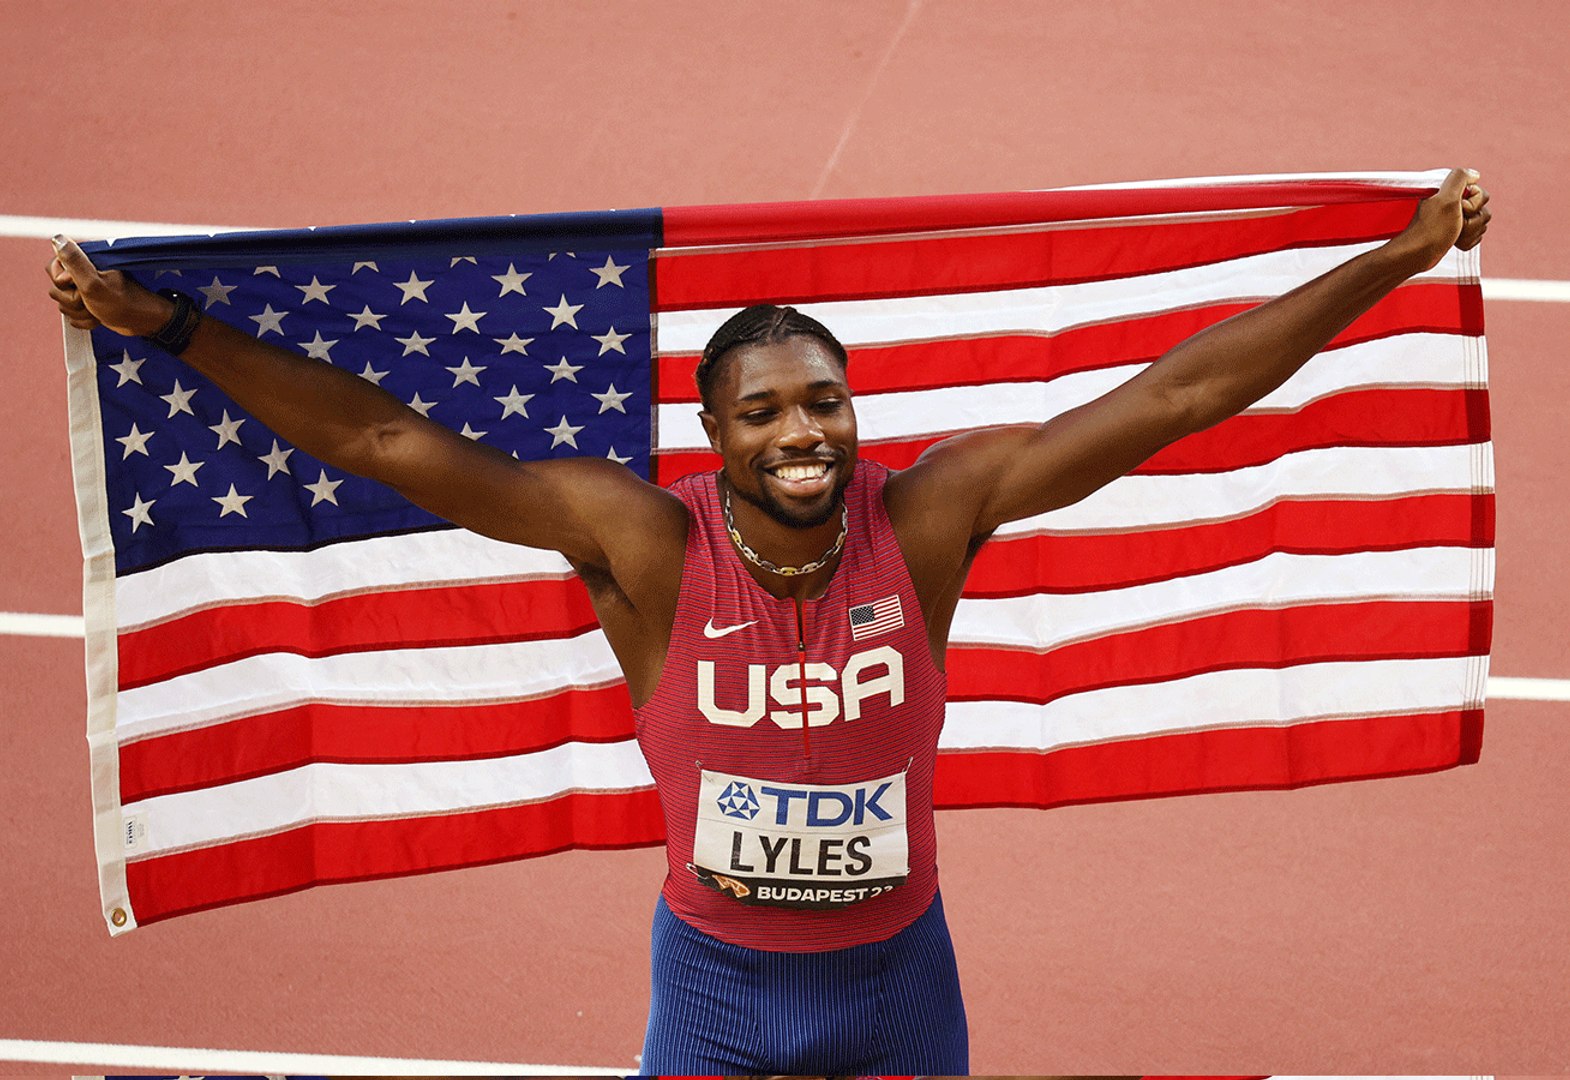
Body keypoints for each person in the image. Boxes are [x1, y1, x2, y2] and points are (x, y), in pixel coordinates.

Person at [47, 169, 1490, 1075]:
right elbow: (381, 442)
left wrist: (1398, 258)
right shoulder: (647, 544)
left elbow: (1176, 396)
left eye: (824, 403)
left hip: (900, 987)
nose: (802, 434)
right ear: (714, 434)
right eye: (764, 413)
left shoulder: (926, 518)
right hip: (716, 998)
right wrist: (171, 329)